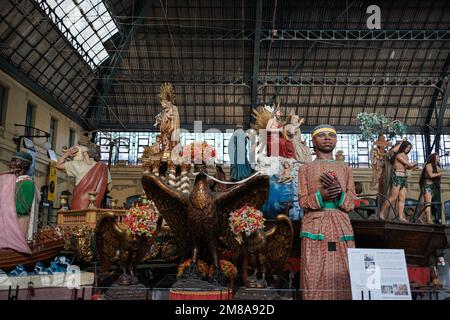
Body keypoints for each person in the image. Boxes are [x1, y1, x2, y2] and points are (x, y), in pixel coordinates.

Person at [298, 124, 356, 300]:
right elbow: (302, 201)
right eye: (322, 135)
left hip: (341, 224)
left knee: (344, 269)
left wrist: (339, 193)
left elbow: (352, 202)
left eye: (331, 135)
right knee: (313, 270)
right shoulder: (305, 168)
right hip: (314, 224)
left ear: (336, 140)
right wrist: (321, 195)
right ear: (313, 141)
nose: (327, 138)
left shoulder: (345, 168)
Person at [0, 152, 40, 254]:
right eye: (11, 161)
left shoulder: (27, 183)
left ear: (24, 165)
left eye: (15, 161)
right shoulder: (11, 181)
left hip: (18, 223)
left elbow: (22, 209)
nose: (11, 164)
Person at [57, 137, 112, 210]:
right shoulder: (103, 167)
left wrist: (67, 153)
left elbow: (58, 165)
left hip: (79, 204)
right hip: (95, 206)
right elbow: (110, 187)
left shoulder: (77, 164)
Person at [379, 141, 418, 222]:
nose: (408, 149)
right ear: (403, 147)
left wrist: (412, 168)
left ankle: (400, 216)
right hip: (397, 177)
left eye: (409, 148)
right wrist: (414, 163)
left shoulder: (406, 156)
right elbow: (409, 164)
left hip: (403, 178)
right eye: (407, 147)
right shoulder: (399, 155)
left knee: (402, 198)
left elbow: (407, 167)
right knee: (393, 197)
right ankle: (381, 213)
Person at [418, 153, 443, 224]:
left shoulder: (437, 166)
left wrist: (439, 173)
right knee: (427, 203)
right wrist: (439, 174)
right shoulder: (428, 165)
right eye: (437, 157)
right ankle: (428, 220)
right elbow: (431, 175)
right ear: (433, 158)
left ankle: (418, 217)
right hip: (427, 185)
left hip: (432, 186)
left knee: (424, 203)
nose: (439, 158)